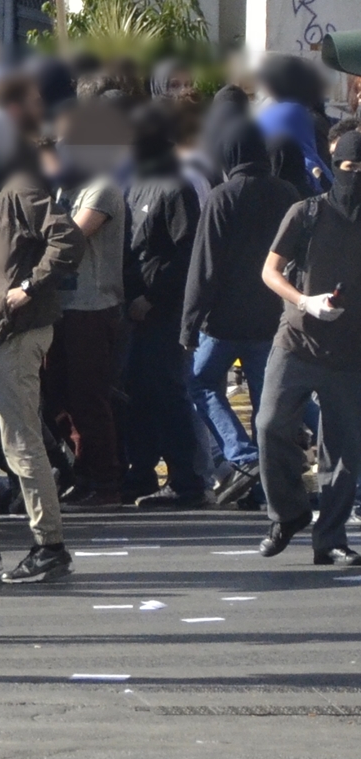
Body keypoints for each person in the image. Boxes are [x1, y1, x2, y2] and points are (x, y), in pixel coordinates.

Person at [0, 108, 83, 583]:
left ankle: (49, 545)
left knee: (19, 438)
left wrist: (29, 287)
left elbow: (66, 238)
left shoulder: (20, 190)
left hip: (14, 334)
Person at [181, 118, 303, 506]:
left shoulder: (222, 197)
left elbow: (204, 267)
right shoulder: (287, 193)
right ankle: (271, 483)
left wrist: (189, 324)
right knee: (268, 405)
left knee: (201, 382)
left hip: (223, 320)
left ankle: (242, 456)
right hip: (272, 317)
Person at [255, 131, 361, 563]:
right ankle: (289, 512)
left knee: (343, 450)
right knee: (268, 424)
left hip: (351, 349)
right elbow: (269, 270)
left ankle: (331, 539)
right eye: (348, 170)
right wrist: (304, 301)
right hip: (297, 338)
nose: (353, 178)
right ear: (334, 167)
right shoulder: (307, 212)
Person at [121, 104, 204, 507]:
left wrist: (153, 297)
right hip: (134, 309)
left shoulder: (175, 187)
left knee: (166, 391)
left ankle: (186, 479)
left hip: (162, 310)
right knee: (137, 390)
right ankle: (142, 472)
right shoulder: (137, 184)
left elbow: (188, 252)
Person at [45, 103, 128, 507]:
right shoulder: (66, 188)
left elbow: (72, 237)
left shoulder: (102, 187)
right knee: (58, 397)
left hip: (92, 306)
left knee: (89, 397)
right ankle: (80, 472)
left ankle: (106, 480)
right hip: (60, 307)